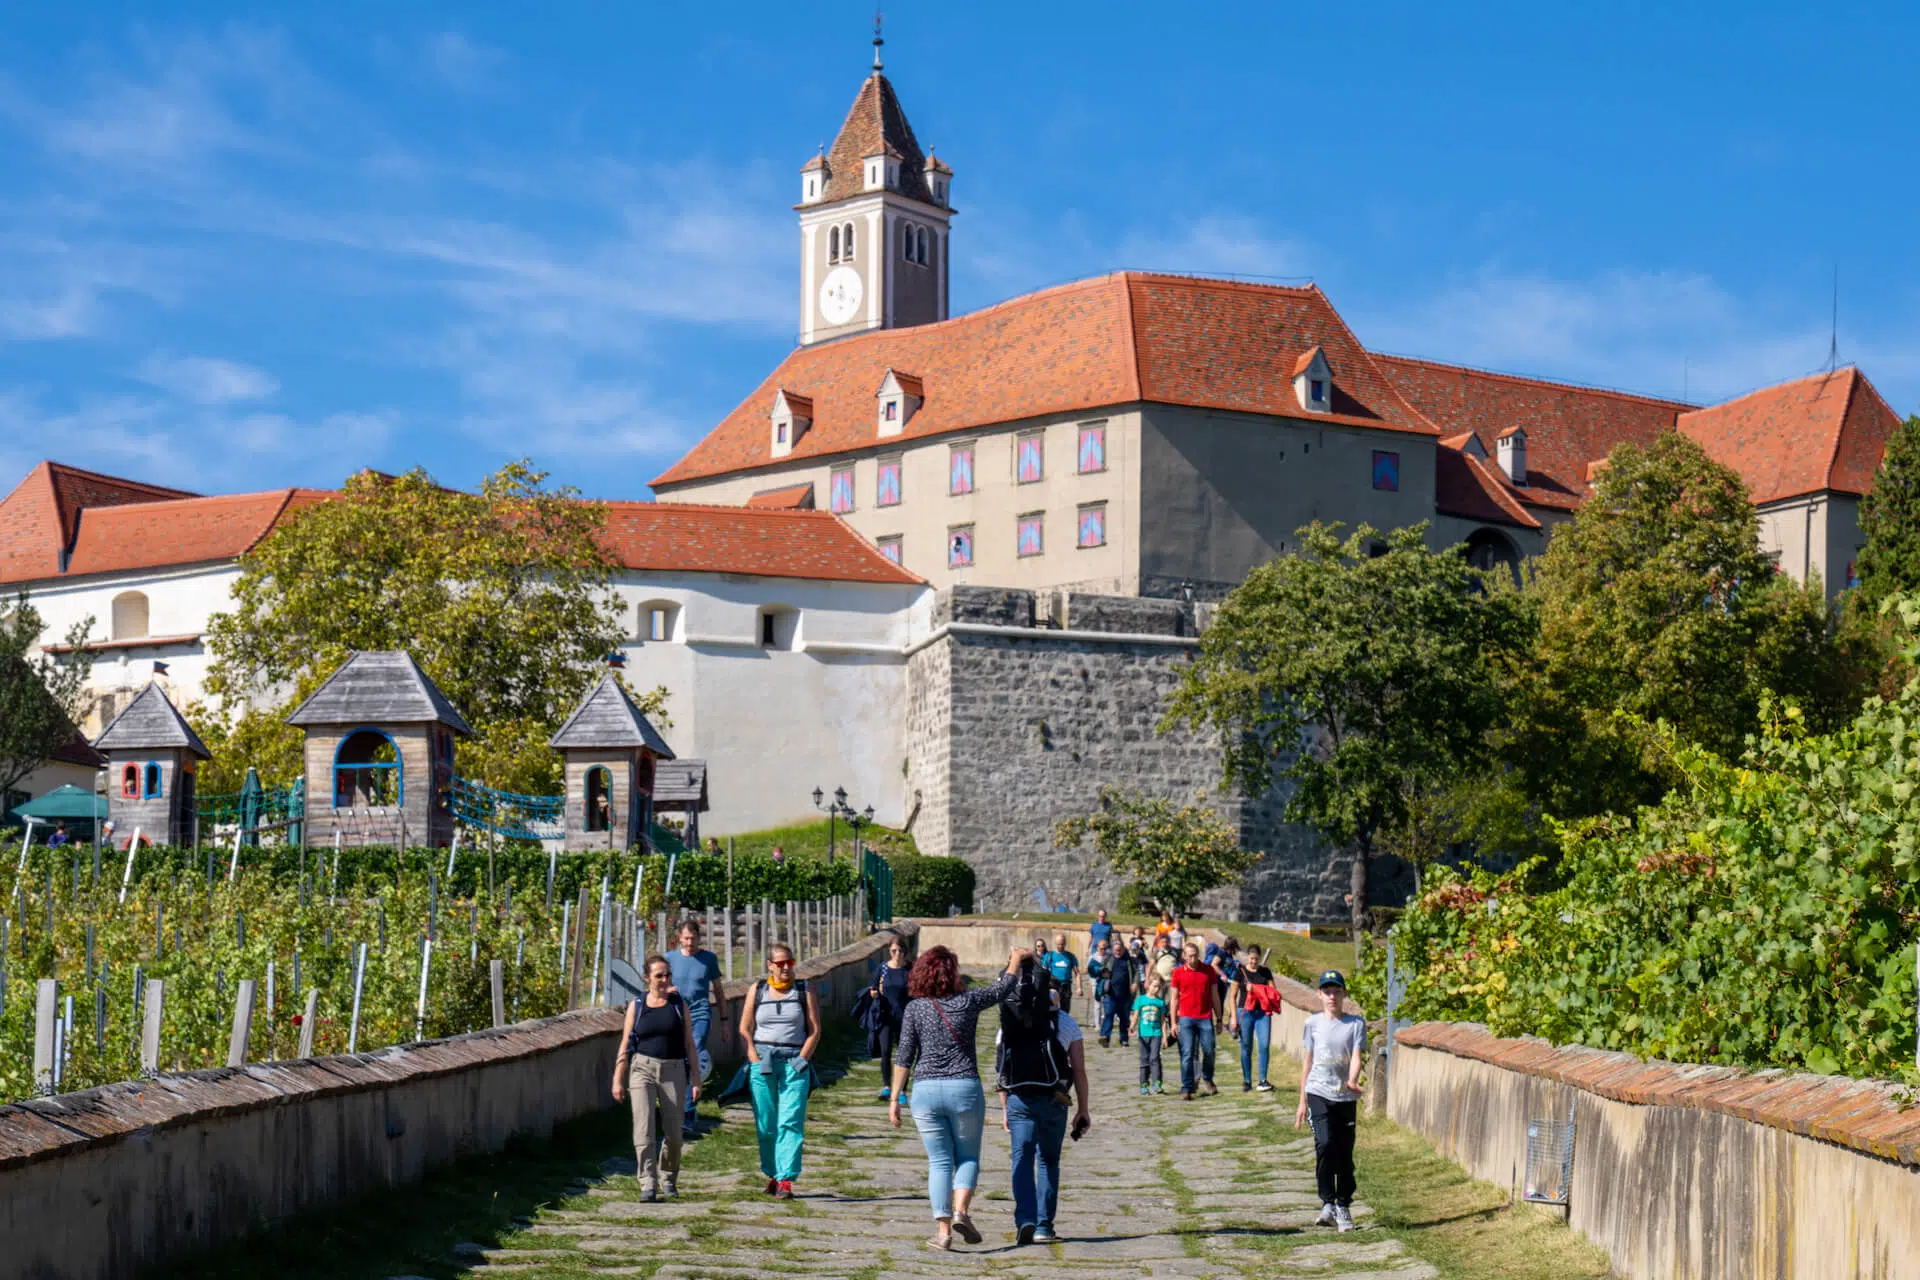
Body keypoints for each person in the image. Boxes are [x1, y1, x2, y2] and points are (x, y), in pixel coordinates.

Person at [890, 944, 1026, 1252]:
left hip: (925, 1091)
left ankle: (943, 1232)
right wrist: (1016, 959)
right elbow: (1002, 988)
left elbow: (904, 1057)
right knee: (967, 1157)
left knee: (939, 1161)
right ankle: (962, 1210)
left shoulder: (915, 1008)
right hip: (963, 1087)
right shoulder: (968, 1001)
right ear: (953, 973)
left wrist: (895, 1098)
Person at [995, 966, 1093, 1246]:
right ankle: (1043, 1227)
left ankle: (1024, 1217)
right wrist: (1083, 1109)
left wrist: (1005, 1108)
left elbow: (1002, 1069)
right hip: (1055, 1098)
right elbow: (1079, 1070)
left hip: (1019, 1098)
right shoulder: (1065, 1022)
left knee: (1021, 1160)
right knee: (1048, 1161)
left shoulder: (1010, 1020)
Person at [611, 954, 702, 1202]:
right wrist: (618, 1078)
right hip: (642, 1069)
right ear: (647, 978)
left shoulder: (677, 1005)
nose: (664, 980)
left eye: (668, 975)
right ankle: (647, 1183)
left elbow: (689, 1044)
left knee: (674, 1133)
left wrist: (696, 1078)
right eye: (659, 975)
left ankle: (669, 1178)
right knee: (644, 1129)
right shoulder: (638, 1005)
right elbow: (626, 1042)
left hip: (673, 1071)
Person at [738, 943, 821, 1199]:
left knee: (790, 1121)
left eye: (790, 963)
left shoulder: (804, 990)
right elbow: (745, 1027)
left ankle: (786, 1179)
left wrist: (803, 1059)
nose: (786, 968)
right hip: (763, 1062)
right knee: (766, 1123)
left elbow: (815, 1029)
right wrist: (752, 1056)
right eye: (781, 963)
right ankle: (772, 1173)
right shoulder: (758, 990)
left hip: (794, 1062)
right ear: (770, 965)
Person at [1296, 970, 1367, 1232]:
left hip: (1344, 1095)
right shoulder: (1312, 1024)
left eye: (1336, 991)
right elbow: (1307, 1062)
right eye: (1327, 992)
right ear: (1319, 995)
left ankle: (1343, 1206)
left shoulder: (1355, 1024)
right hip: (1318, 1091)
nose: (1332, 996)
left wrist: (1352, 1079)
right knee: (1325, 1144)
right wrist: (1302, 1100)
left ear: (1344, 994)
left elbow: (1357, 1055)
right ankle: (1327, 1203)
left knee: (1344, 1153)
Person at [667, 918, 727, 1135]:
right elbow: (659, 985)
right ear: (679, 938)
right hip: (676, 1015)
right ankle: (677, 1108)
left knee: (693, 1055)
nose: (690, 942)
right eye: (686, 938)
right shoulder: (670, 958)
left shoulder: (708, 959)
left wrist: (725, 1021)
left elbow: (718, 991)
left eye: (693, 938)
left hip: (700, 1014)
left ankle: (688, 1112)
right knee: (680, 1059)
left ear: (699, 938)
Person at [1168, 942, 1219, 1099]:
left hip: (1205, 1017)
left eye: (1195, 955)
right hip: (1186, 1018)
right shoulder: (1178, 973)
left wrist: (1219, 1018)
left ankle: (1208, 1078)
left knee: (1209, 1050)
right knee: (1188, 1053)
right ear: (1184, 956)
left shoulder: (1208, 971)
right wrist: (1173, 1022)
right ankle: (1186, 1086)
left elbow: (1215, 995)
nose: (1193, 958)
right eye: (1190, 955)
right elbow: (1174, 999)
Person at [1226, 943, 1279, 1092]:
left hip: (1262, 1013)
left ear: (1259, 958)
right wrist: (1234, 1018)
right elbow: (1233, 996)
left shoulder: (1265, 972)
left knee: (1264, 1044)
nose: (1253, 962)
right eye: (1251, 958)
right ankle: (1247, 1080)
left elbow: (1274, 992)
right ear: (1247, 957)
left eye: (1256, 959)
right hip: (1245, 1012)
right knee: (1246, 1046)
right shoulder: (1240, 972)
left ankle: (1263, 1079)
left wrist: (1256, 988)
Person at [869, 935, 913, 1100]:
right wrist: (874, 993)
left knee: (905, 1053)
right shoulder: (883, 968)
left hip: (906, 1017)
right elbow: (873, 987)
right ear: (889, 951)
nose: (897, 954)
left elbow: (916, 989)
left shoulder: (910, 969)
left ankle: (902, 1091)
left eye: (900, 950)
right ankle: (887, 1086)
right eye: (894, 950)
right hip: (886, 1015)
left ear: (905, 951)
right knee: (886, 1050)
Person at [1130, 976, 1170, 1095]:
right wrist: (1131, 1027)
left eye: (1158, 987)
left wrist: (1165, 1037)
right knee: (1144, 1059)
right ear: (1148, 985)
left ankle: (1157, 1083)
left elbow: (1163, 1021)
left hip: (1156, 1034)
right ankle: (1144, 1084)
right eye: (1154, 986)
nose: (1156, 989)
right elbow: (1136, 1016)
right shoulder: (1141, 1000)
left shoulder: (1160, 1002)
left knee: (1154, 1058)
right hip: (1143, 1034)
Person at [1041, 933, 1079, 1014]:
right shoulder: (1049, 955)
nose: (1060, 946)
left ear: (1065, 943)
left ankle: (1063, 1025)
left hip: (1066, 986)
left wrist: (1079, 987)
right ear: (1055, 943)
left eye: (1062, 944)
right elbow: (1043, 972)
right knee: (1052, 1009)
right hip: (1053, 987)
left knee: (1065, 1010)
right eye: (1058, 944)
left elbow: (1077, 973)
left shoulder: (1070, 956)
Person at [1083, 939, 1111, 1046]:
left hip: (1107, 982)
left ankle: (1106, 1023)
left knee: (1107, 1003)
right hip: (1096, 982)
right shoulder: (1093, 957)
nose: (1103, 950)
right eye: (1101, 948)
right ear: (1097, 947)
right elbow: (1088, 969)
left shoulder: (1109, 956)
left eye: (1105, 948)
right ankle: (1097, 1024)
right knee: (1097, 1003)